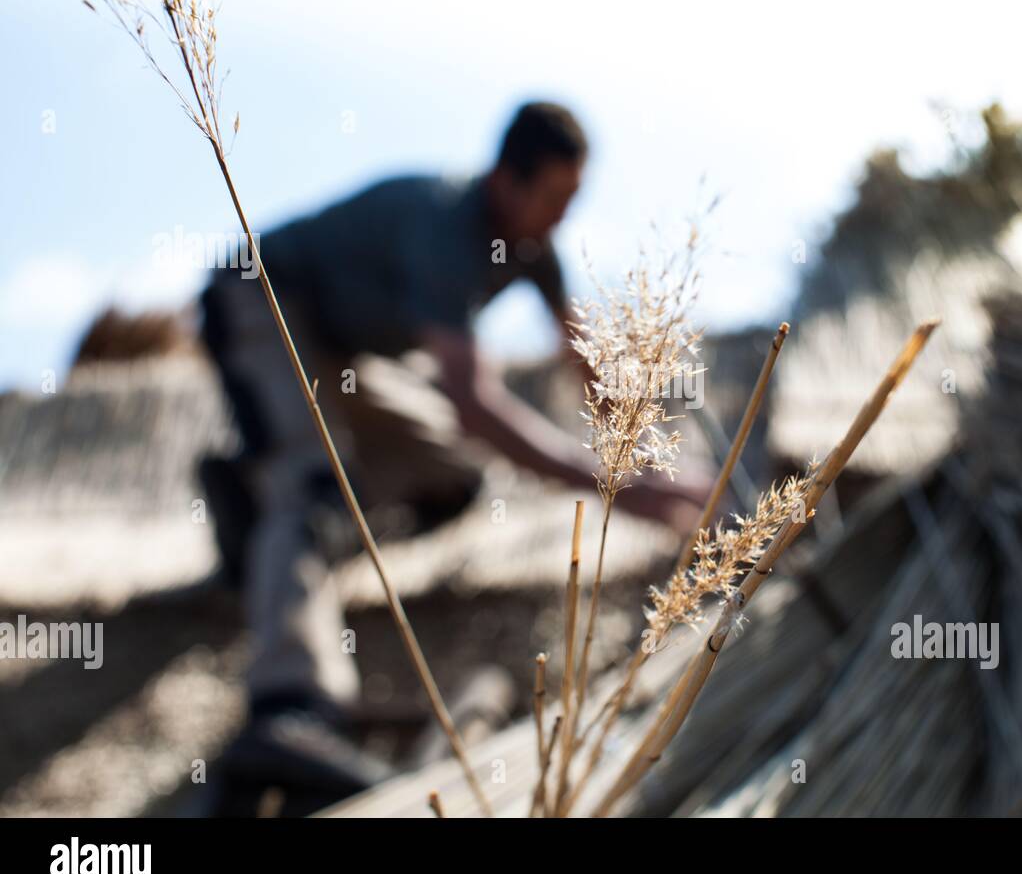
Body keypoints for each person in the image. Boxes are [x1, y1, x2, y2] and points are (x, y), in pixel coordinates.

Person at [197, 102, 705, 810]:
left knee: (451, 479)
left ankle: (257, 521)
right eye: (554, 198)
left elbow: (587, 369)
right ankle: (291, 705)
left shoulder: (535, 250)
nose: (561, 219)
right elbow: (475, 404)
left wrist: (656, 470)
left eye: (572, 202)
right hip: (261, 297)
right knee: (307, 482)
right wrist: (613, 490)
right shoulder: (444, 223)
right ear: (507, 177)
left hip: (347, 352)